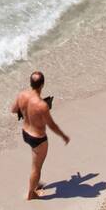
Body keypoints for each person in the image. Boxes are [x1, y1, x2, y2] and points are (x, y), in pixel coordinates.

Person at [11, 69, 70, 200]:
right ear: (42, 85)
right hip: (38, 139)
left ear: (30, 83)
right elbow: (52, 125)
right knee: (36, 168)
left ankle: (35, 184)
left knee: (36, 165)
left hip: (25, 133)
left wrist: (27, 111)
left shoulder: (22, 95)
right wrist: (63, 136)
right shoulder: (42, 105)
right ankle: (31, 194)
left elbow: (13, 110)